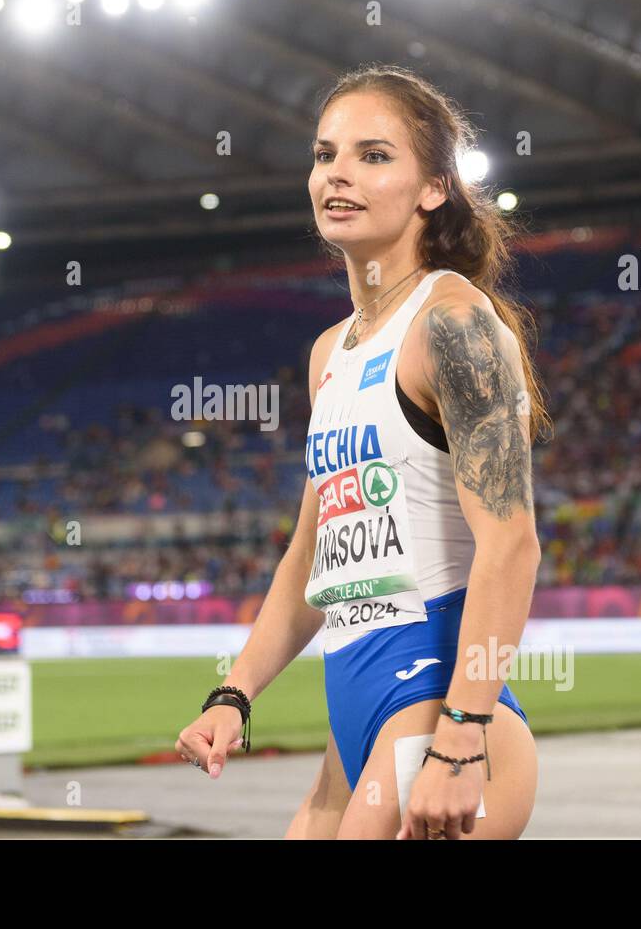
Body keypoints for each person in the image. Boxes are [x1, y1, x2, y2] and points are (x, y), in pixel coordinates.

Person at [175, 64, 548, 839]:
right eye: (324, 154)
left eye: (373, 155)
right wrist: (235, 693)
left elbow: (511, 544)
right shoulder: (329, 354)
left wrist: (460, 735)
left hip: (442, 705)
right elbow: (313, 555)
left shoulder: (454, 325)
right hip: (357, 700)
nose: (337, 173)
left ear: (434, 188)